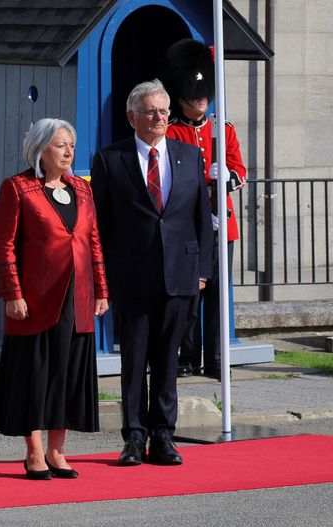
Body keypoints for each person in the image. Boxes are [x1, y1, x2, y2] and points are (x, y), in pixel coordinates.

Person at [90, 80, 212, 466]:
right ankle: (133, 438)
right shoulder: (111, 160)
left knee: (167, 360)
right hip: (131, 277)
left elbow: (201, 220)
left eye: (163, 111)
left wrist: (203, 271)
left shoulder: (189, 156)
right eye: (150, 111)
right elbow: (100, 226)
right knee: (134, 361)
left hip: (180, 275)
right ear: (132, 117)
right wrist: (102, 279)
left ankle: (163, 436)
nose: (159, 117)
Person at [0, 118, 109, 480]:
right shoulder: (18, 188)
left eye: (71, 144)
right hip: (35, 298)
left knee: (68, 374)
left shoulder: (83, 191)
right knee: (36, 374)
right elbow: (4, 245)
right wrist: (13, 293)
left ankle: (57, 450)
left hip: (78, 295)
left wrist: (102, 289)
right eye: (60, 145)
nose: (68, 151)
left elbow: (94, 241)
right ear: (40, 149)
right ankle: (34, 451)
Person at [161, 39, 247, 380]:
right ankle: (185, 356)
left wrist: (226, 178)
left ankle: (213, 358)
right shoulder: (172, 132)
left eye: (204, 97)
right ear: (182, 99)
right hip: (187, 226)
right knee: (187, 295)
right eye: (195, 98)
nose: (201, 103)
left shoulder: (223, 130)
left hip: (220, 224)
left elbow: (241, 172)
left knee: (217, 297)